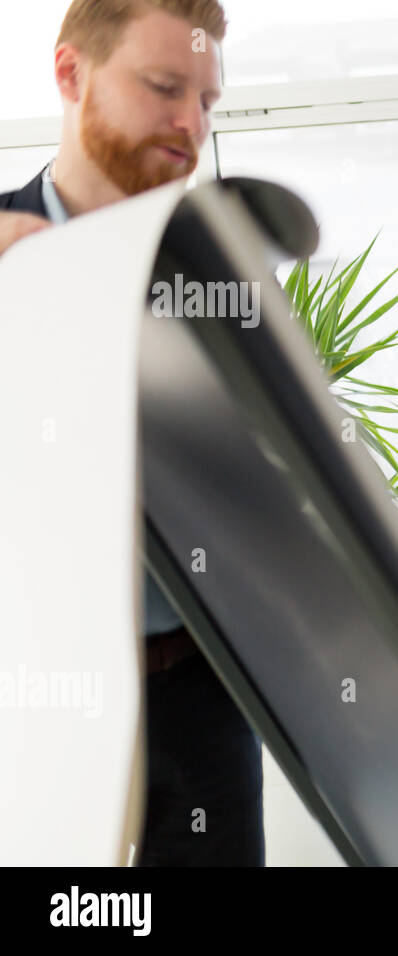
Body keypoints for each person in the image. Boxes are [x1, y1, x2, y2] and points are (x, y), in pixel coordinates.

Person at [0, 0, 264, 865]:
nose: (190, 124)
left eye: (207, 100)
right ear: (71, 75)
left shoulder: (230, 289)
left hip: (199, 694)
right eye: (162, 87)